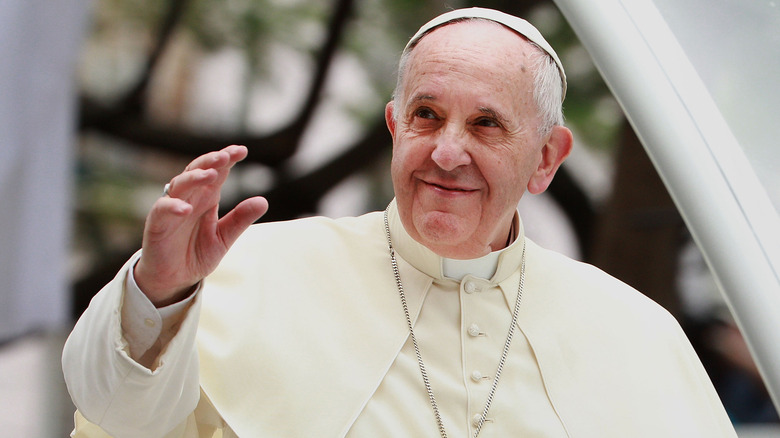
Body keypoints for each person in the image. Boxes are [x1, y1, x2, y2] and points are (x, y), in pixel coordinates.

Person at [62, 7, 737, 438]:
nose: (447, 152)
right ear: (394, 126)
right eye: (427, 116)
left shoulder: (637, 332)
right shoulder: (242, 273)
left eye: (486, 124)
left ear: (545, 158)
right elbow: (119, 421)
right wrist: (158, 294)